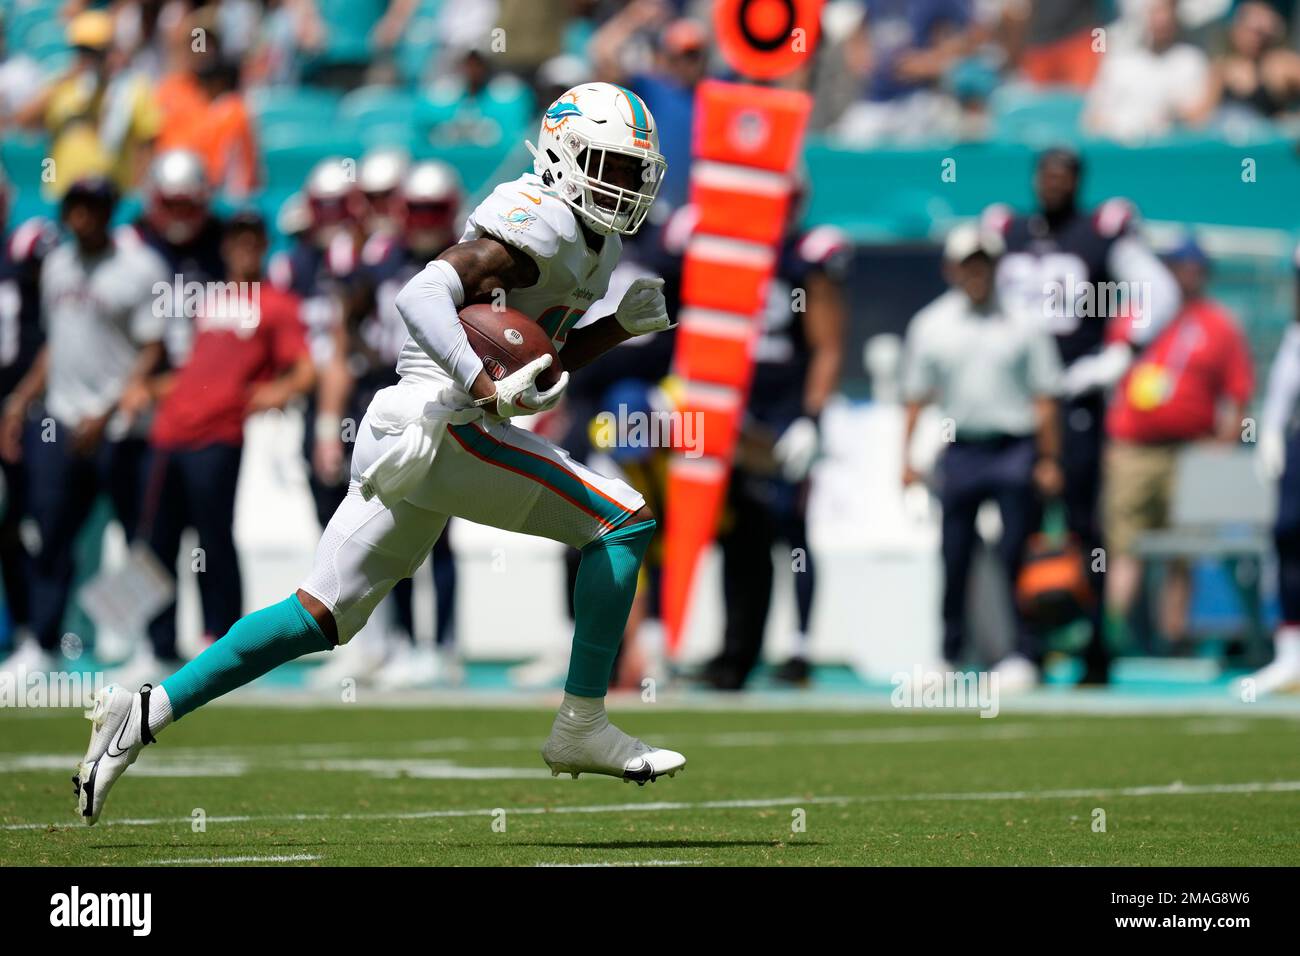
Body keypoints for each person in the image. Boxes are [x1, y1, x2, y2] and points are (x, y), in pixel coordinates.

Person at [73, 82, 686, 826]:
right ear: (561, 156)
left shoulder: (592, 237)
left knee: (319, 617)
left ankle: (144, 711)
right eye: (608, 166)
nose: (620, 186)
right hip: (441, 423)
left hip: (419, 431)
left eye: (631, 173)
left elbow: (537, 362)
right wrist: (483, 380)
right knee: (621, 522)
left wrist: (613, 329)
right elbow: (422, 296)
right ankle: (581, 726)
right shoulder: (541, 218)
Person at [985, 147, 1181, 684]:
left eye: (1063, 175)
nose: (1052, 183)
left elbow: (1158, 291)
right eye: (1045, 173)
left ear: (1077, 181)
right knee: (1017, 526)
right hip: (1016, 404)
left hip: (1074, 401)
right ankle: (1025, 649)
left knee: (1082, 526)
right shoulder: (1010, 231)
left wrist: (1122, 352)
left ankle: (1094, 645)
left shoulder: (1099, 233)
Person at [112, 211, 316, 688]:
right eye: (237, 241)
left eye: (252, 241)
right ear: (226, 247)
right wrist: (147, 389)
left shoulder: (278, 304)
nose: (244, 250)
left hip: (218, 437)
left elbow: (304, 370)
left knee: (213, 540)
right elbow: (196, 373)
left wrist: (275, 393)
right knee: (153, 543)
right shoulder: (209, 301)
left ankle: (221, 642)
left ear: (264, 245)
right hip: (168, 435)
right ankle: (155, 645)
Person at [0, 177, 167, 677]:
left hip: (121, 428)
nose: (85, 216)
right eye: (77, 207)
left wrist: (109, 410)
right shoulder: (56, 266)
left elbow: (153, 348)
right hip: (61, 423)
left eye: (95, 207)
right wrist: (18, 402)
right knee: (51, 534)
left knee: (141, 540)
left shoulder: (141, 267)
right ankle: (42, 643)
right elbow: (56, 346)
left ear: (109, 211)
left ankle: (149, 647)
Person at [902, 224, 1063, 686]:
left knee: (1018, 553)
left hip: (1015, 448)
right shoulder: (931, 325)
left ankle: (1023, 655)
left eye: (984, 264)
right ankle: (950, 654)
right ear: (951, 269)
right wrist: (906, 460)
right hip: (961, 449)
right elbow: (914, 397)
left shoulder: (1024, 322)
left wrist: (1049, 459)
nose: (976, 273)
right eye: (968, 264)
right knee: (954, 554)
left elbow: (1044, 397)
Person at [705, 217, 849, 690]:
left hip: (787, 415)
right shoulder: (734, 255)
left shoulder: (804, 258)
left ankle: (800, 646)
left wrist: (810, 417)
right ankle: (736, 647)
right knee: (737, 532)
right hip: (740, 415)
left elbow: (828, 345)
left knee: (792, 528)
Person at [1102, 238, 1253, 650]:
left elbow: (1238, 392)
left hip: (1191, 450)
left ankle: (1174, 639)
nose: (1186, 275)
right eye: (1177, 266)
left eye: (1193, 268)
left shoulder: (1219, 325)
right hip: (1133, 449)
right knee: (1124, 545)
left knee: (1182, 551)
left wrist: (1224, 446)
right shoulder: (1135, 315)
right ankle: (1114, 636)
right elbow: (1109, 375)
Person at [0, 169, 58, 661]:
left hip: (48, 414)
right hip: (21, 415)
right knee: (20, 527)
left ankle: (48, 637)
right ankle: (32, 635)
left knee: (44, 521)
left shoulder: (31, 248)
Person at [1251, 240, 1300, 694]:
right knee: (1287, 534)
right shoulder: (1294, 333)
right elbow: (1282, 393)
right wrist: (1269, 434)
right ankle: (1290, 654)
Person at [127, 149, 226, 365]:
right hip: (141, 368)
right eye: (171, 205)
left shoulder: (224, 246)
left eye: (188, 205)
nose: (180, 215)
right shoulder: (130, 244)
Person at [1084, 0, 1210, 143]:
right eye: (1155, 12)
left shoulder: (1191, 61)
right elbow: (1093, 119)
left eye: (1166, 12)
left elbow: (1199, 119)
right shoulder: (1117, 62)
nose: (1161, 20)